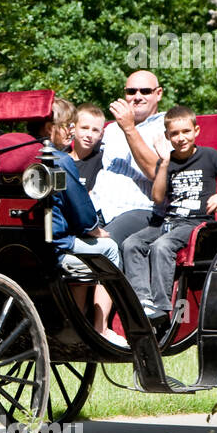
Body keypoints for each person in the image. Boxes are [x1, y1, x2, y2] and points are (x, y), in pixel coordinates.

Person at [123, 105, 217, 321]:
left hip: (196, 224)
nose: (181, 138)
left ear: (196, 131)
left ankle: (161, 307)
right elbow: (158, 198)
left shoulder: (209, 156)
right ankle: (143, 300)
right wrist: (163, 164)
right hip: (169, 221)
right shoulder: (167, 161)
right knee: (131, 244)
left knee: (162, 246)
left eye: (186, 132)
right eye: (175, 134)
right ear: (167, 136)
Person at [42, 99, 126, 346]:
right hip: (57, 243)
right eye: (67, 125)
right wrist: (94, 229)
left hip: (31, 242)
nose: (70, 130)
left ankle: (73, 325)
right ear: (50, 128)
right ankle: (100, 328)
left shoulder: (24, 155)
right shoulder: (60, 161)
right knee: (109, 248)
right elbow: (81, 212)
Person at [97, 70, 171, 246]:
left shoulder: (168, 128)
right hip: (100, 208)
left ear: (158, 94)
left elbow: (156, 172)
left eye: (145, 91)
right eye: (131, 92)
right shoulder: (111, 129)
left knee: (106, 245)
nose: (137, 97)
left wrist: (129, 128)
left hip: (141, 210)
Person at [70, 102, 106, 194]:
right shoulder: (60, 160)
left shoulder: (102, 162)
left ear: (101, 135)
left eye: (95, 130)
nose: (89, 135)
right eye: (84, 128)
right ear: (73, 128)